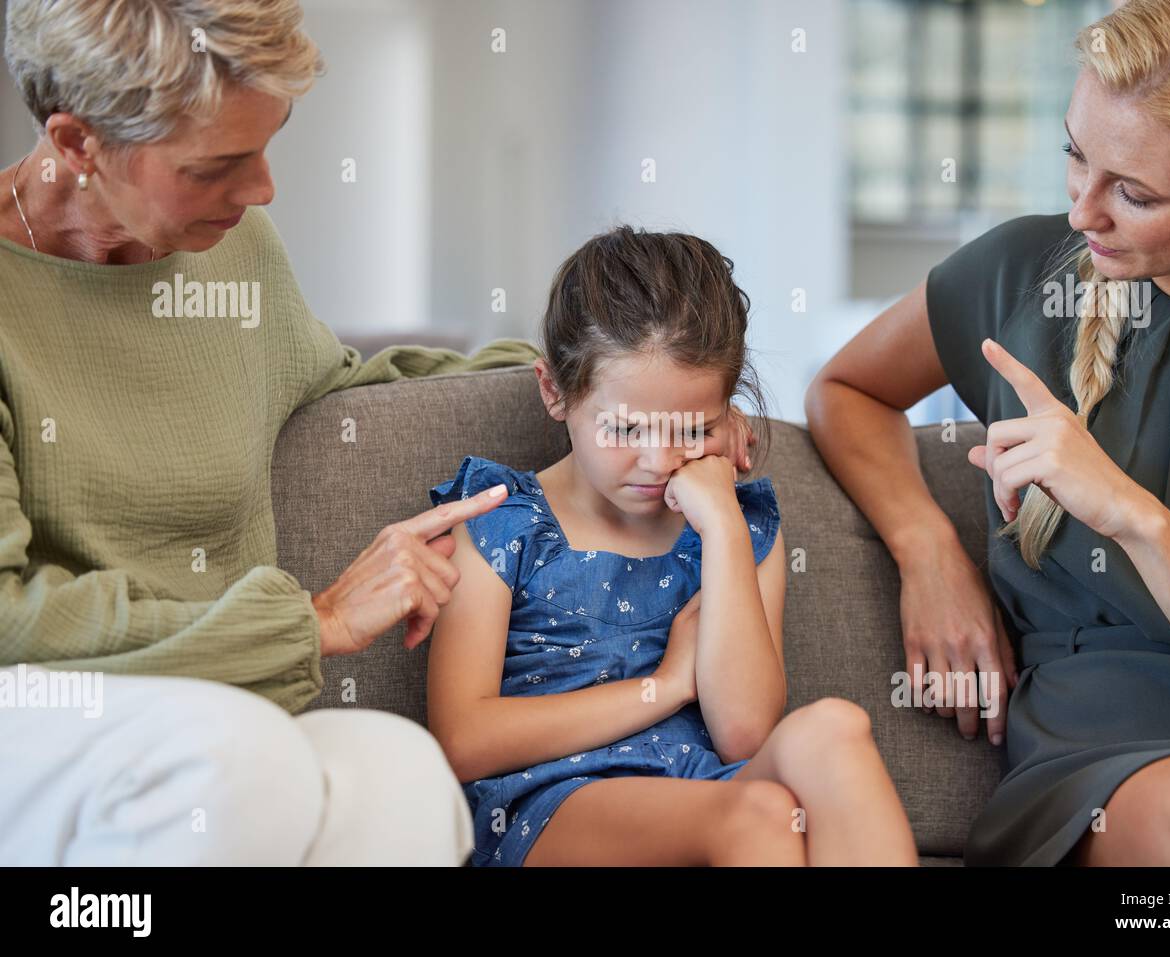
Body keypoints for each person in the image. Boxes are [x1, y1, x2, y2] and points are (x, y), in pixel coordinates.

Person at [0, 0, 541, 865]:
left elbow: (343, 386)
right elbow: (8, 617)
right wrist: (311, 619)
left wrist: (574, 382)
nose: (261, 191)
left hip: (212, 710)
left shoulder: (235, 250)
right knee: (238, 760)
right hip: (34, 711)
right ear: (77, 145)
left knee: (402, 778)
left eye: (268, 142)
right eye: (216, 165)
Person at [806, 0, 1170, 866]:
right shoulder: (1017, 275)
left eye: (1135, 194)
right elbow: (846, 390)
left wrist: (1136, 517)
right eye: (1076, 156)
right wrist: (929, 552)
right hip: (1114, 755)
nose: (1083, 213)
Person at [426, 225, 918, 866]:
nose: (659, 460)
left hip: (703, 786)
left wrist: (723, 532)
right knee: (761, 816)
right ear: (555, 391)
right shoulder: (500, 521)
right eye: (627, 426)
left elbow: (744, 733)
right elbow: (463, 740)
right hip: (549, 806)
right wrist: (667, 685)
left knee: (835, 728)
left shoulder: (737, 528)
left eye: (694, 427)